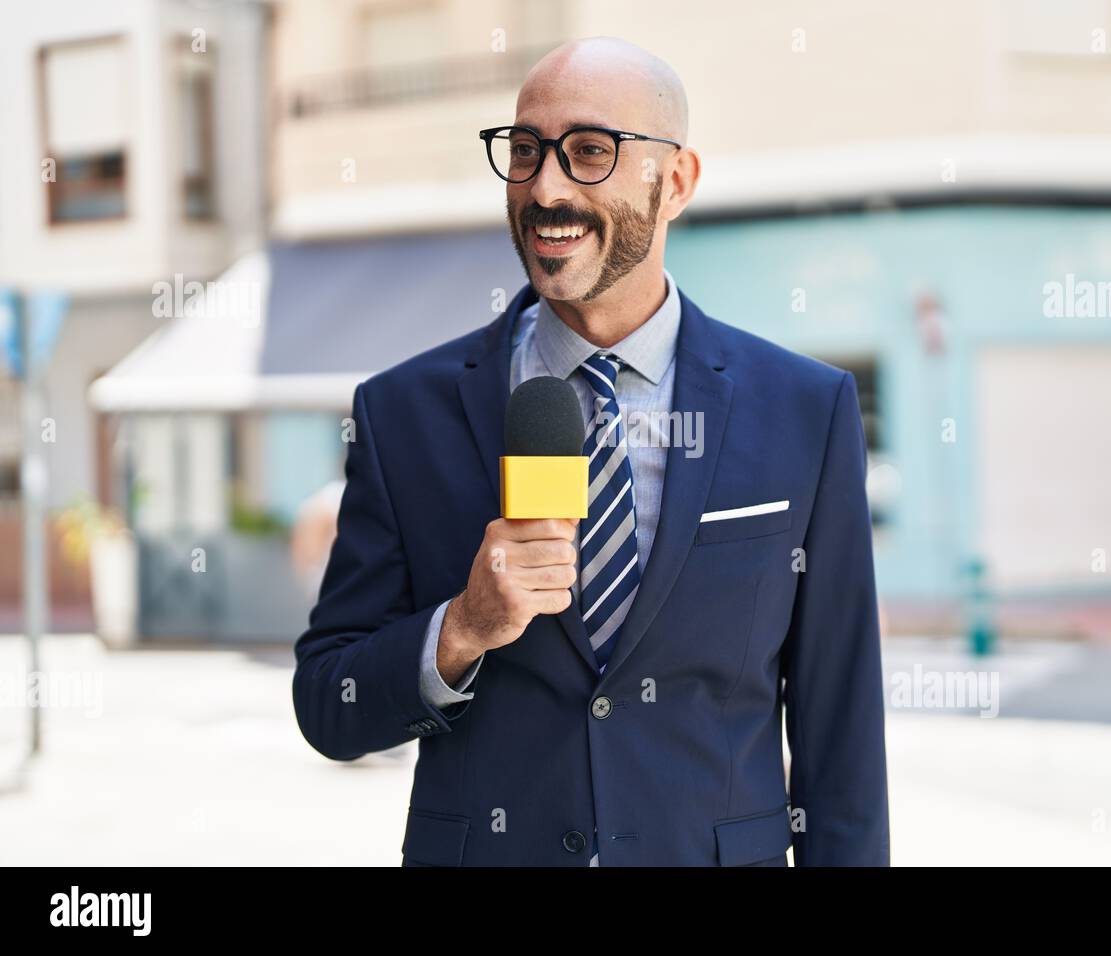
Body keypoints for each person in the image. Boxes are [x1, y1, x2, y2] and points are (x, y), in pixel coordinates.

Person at [292, 36, 888, 867]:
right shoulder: (401, 413)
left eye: (589, 152)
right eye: (526, 151)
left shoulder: (803, 411)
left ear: (674, 181)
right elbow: (329, 703)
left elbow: (842, 737)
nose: (546, 188)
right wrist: (461, 629)